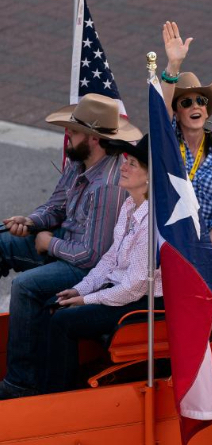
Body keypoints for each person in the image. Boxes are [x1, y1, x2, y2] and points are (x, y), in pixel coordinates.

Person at [0, 94, 142, 399]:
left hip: (81, 264)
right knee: (2, 239)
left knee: (26, 286)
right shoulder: (78, 162)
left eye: (74, 131)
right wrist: (32, 221)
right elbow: (56, 205)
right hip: (63, 241)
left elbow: (92, 256)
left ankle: (20, 383)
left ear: (92, 138)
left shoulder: (107, 185)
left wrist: (49, 243)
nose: (69, 135)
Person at [44, 136, 164, 393]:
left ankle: (57, 398)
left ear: (149, 177)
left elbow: (132, 288)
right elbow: (109, 258)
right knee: (51, 305)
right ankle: (47, 383)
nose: (123, 167)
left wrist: (86, 300)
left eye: (132, 164)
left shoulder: (153, 221)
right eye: (125, 161)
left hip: (145, 302)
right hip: (122, 289)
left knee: (63, 321)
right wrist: (80, 289)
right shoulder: (130, 203)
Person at [160, 21, 212, 273]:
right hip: (164, 241)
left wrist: (195, 252)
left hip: (207, 246)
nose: (196, 106)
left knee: (193, 278)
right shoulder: (168, 144)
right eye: (186, 102)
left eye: (201, 100)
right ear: (176, 111)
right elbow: (159, 117)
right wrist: (173, 65)